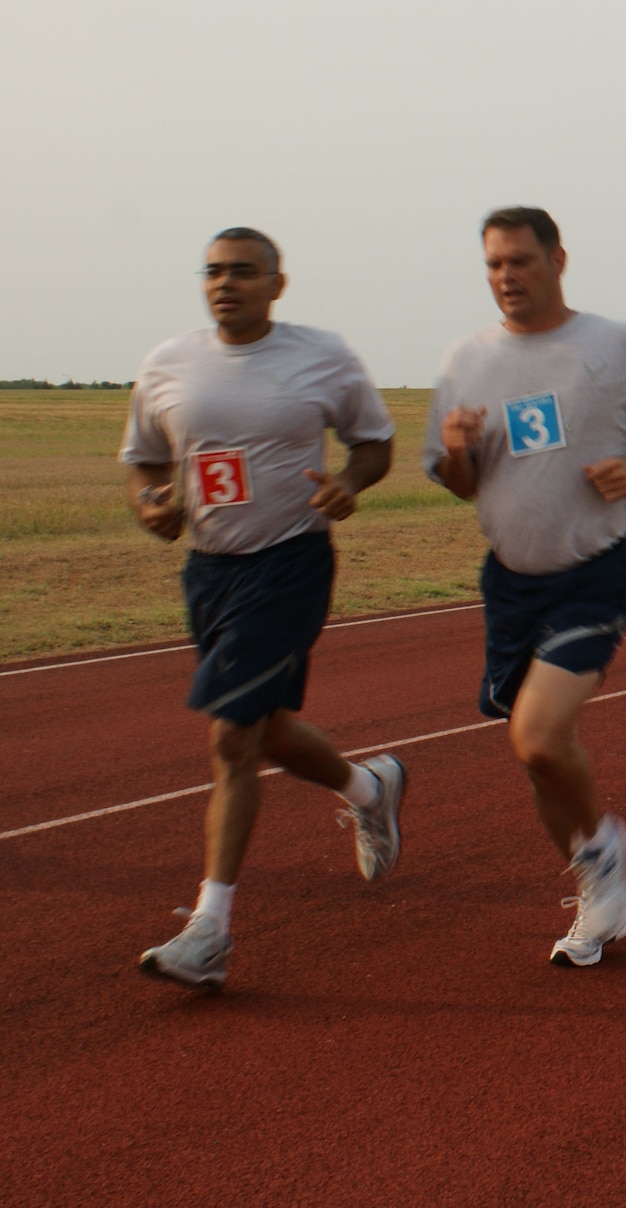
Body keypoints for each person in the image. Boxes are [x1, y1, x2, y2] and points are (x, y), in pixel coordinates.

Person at [124, 227, 405, 989]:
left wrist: (352, 483)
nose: (226, 284)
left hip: (290, 561)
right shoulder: (168, 364)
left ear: (277, 284)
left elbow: (374, 444)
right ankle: (369, 789)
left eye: (244, 273)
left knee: (232, 739)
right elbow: (147, 460)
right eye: (214, 272)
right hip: (210, 572)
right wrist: (152, 504)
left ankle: (209, 929)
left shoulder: (323, 355)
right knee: (269, 730)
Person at [424, 207, 626, 967]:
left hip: (594, 571)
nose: (506, 278)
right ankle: (594, 876)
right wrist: (455, 451)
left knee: (539, 734)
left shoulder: (615, 347)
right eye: (493, 265)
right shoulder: (466, 360)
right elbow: (458, 483)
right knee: (538, 756)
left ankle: (605, 852)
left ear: (558, 261)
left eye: (520, 261)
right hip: (511, 582)